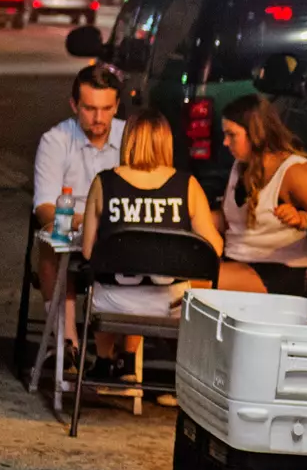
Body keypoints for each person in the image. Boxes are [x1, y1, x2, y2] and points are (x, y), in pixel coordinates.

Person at [80, 109, 223, 377]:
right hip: (170, 306)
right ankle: (131, 361)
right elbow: (213, 249)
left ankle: (103, 360)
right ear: (166, 142)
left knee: (101, 279)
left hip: (113, 304)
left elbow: (88, 251)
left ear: (128, 140)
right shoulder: (187, 185)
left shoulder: (104, 182)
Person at [34, 64, 127, 344]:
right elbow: (44, 208)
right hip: (73, 227)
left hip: (117, 233)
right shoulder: (56, 141)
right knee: (50, 246)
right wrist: (86, 220)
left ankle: (119, 353)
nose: (99, 118)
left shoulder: (130, 137)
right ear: (74, 105)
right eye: (89, 109)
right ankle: (68, 344)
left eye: (106, 108)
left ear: (116, 106)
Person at [215, 94, 307, 295]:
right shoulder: (240, 166)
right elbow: (231, 221)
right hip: (240, 262)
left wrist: (303, 219)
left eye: (231, 135)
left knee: (193, 283)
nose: (225, 142)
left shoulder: (295, 171)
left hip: (281, 271)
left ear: (255, 133)